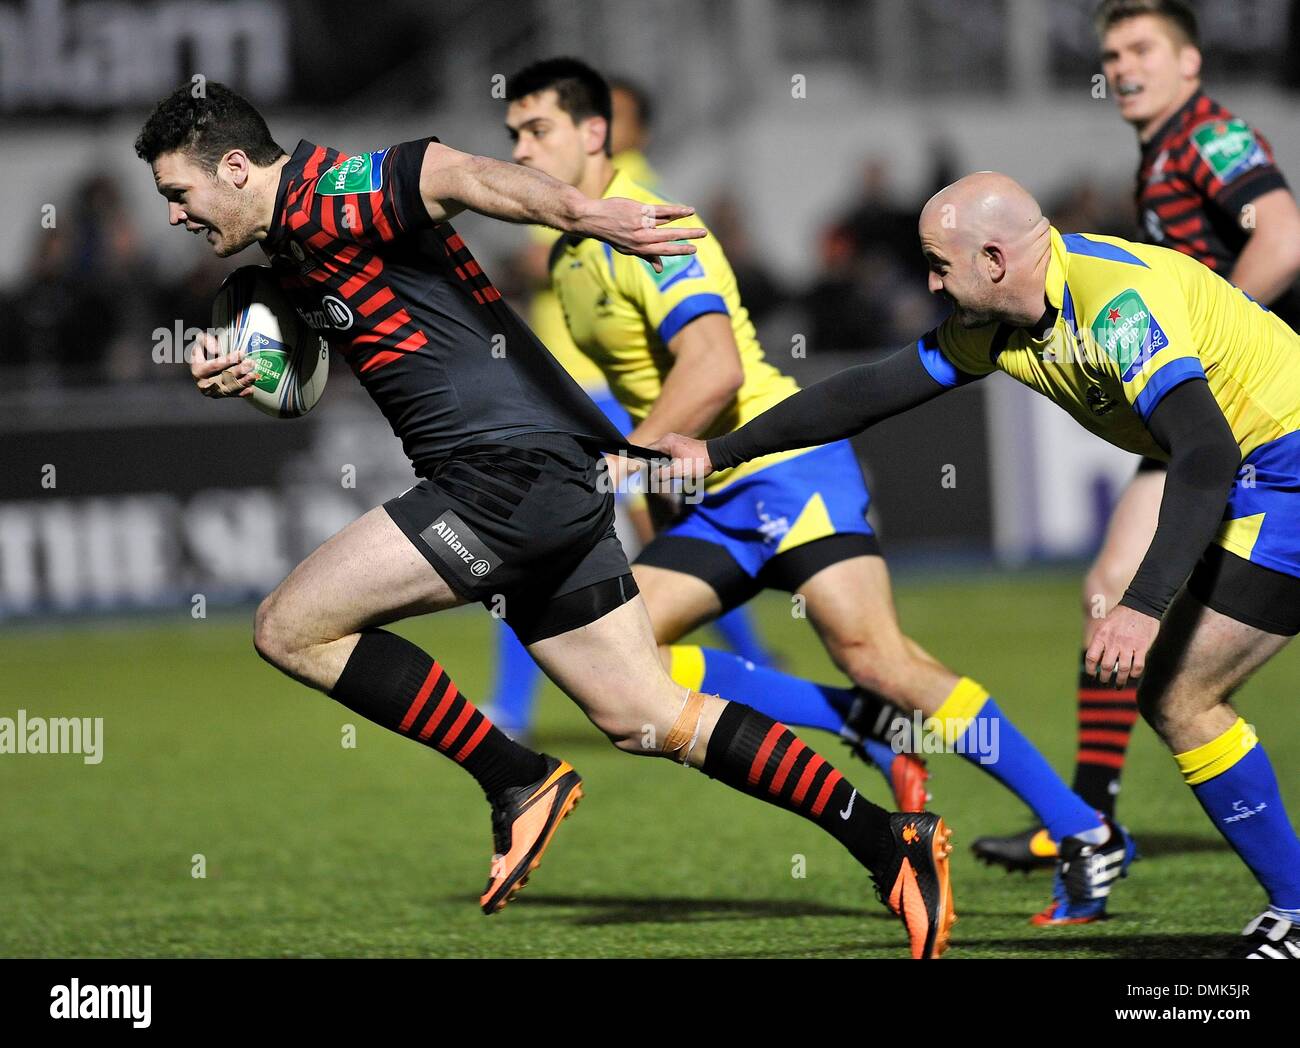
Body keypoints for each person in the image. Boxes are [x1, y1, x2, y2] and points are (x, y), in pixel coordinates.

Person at [134, 81, 956, 958]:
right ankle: (887, 842)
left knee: (290, 627)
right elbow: (293, 372)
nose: (176, 215)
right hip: (552, 475)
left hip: (505, 473)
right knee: (648, 713)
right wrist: (240, 365)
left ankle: (515, 777)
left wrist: (580, 211)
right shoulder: (283, 255)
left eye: (179, 193)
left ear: (233, 167)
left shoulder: (333, 190)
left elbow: (457, 173)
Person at [505, 58, 1131, 927]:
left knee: (882, 657)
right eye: (512, 136)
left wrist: (629, 460)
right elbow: (649, 390)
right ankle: (864, 724)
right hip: (711, 497)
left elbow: (715, 365)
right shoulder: (572, 251)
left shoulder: (649, 225)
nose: (520, 149)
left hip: (782, 469)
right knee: (616, 655)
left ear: (593, 133)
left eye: (536, 131)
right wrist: (649, 491)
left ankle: (1081, 828)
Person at [656, 171, 1300, 958]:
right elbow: (862, 395)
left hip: (1282, 467)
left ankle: (1293, 912)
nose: (929, 280)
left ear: (994, 260)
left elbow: (1204, 451)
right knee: (1179, 695)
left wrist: (1143, 603)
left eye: (938, 262)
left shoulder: (1114, 304)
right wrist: (719, 451)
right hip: (1263, 474)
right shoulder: (995, 326)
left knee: (1180, 694)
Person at [974, 0, 1300, 873]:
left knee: (1123, 595)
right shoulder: (1162, 150)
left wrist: (1218, 334)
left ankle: (1091, 825)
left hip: (1248, 409)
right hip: (1210, 412)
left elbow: (1285, 232)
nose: (1121, 64)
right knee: (1112, 589)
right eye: (1111, 51)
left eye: (1142, 48)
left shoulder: (1211, 135)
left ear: (1190, 64)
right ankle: (1091, 823)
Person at [484, 76, 776, 742]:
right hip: (575, 394)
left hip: (613, 399)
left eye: (614, 117)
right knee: (627, 547)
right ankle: (759, 665)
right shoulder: (578, 192)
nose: (601, 127)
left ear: (630, 131)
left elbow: (532, 257)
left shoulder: (626, 192)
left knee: (567, 548)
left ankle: (512, 706)